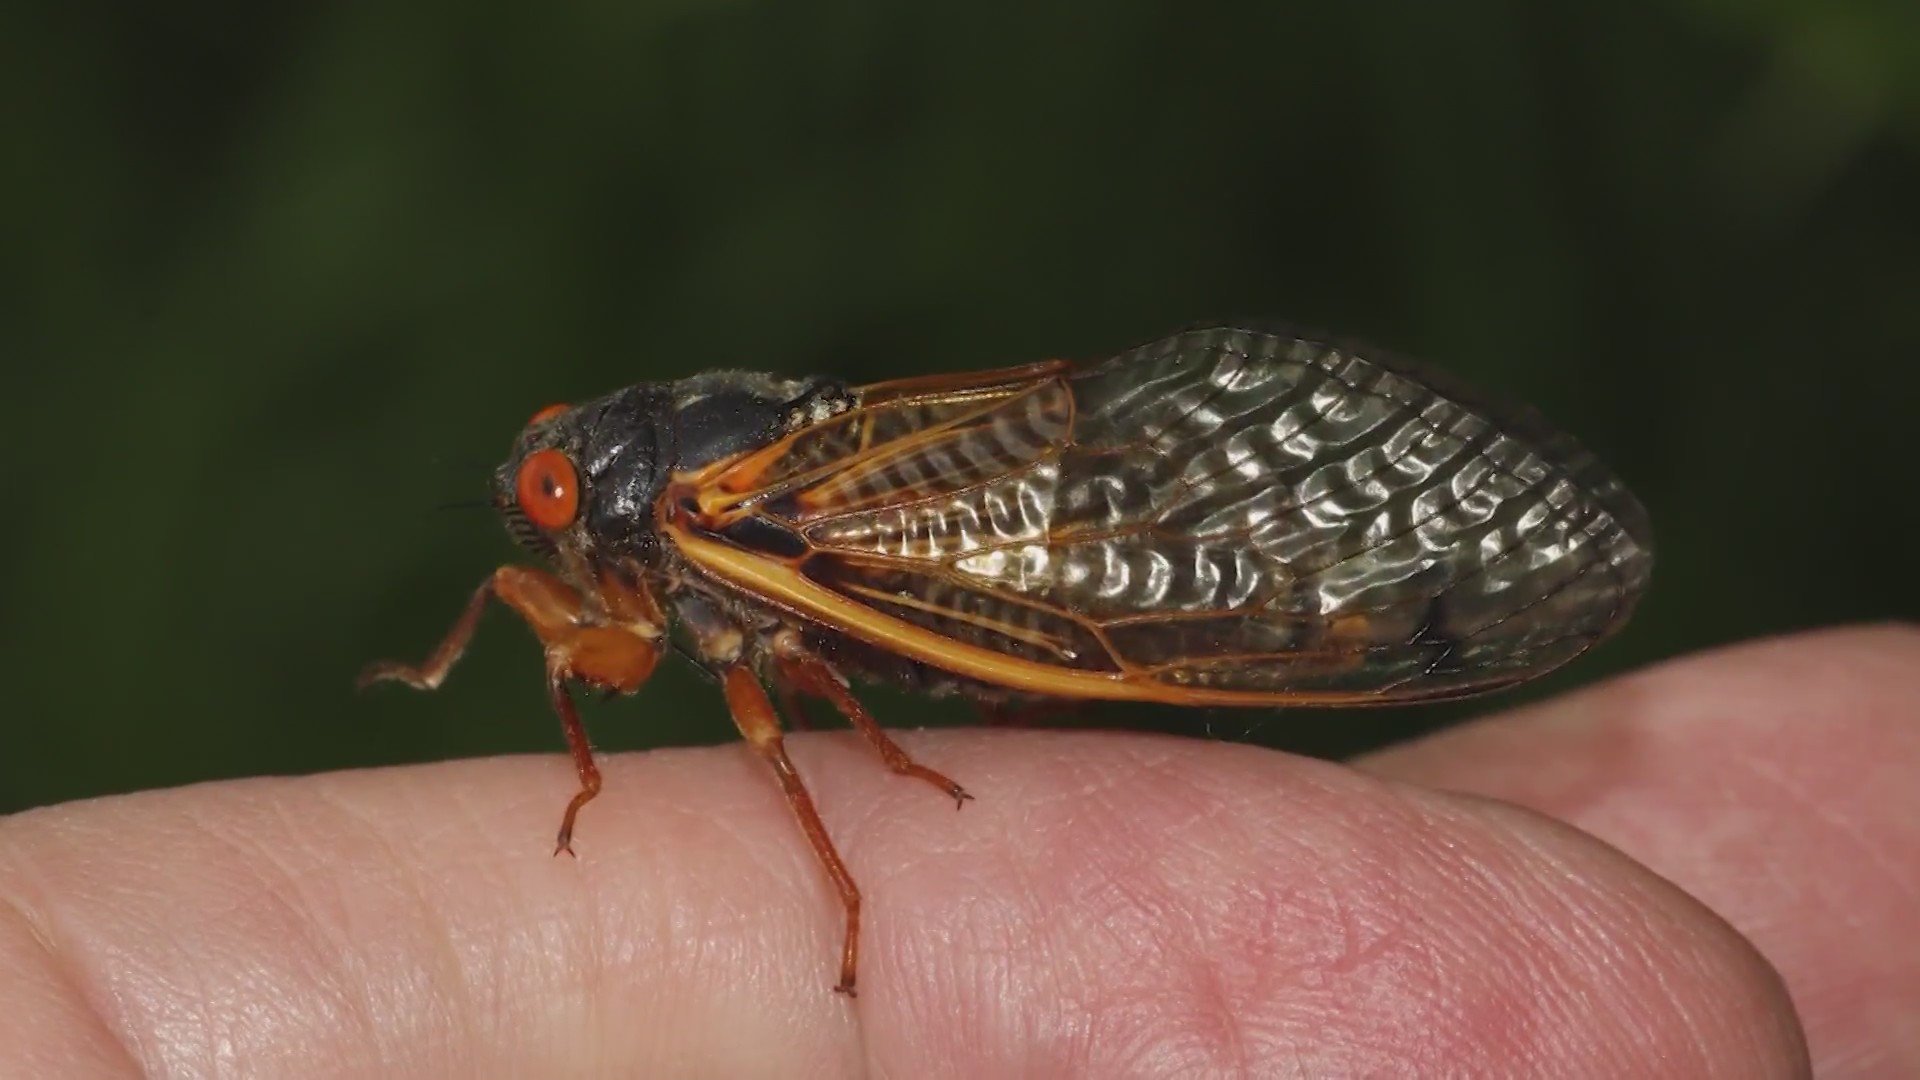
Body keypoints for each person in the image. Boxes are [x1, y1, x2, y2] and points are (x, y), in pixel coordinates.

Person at [1, 625, 1913, 1079]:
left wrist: (851, 880)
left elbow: (776, 657)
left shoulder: (713, 557)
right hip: (816, 586)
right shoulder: (593, 592)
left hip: (927, 561)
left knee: (830, 682)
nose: (553, 549)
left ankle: (856, 857)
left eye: (578, 500)